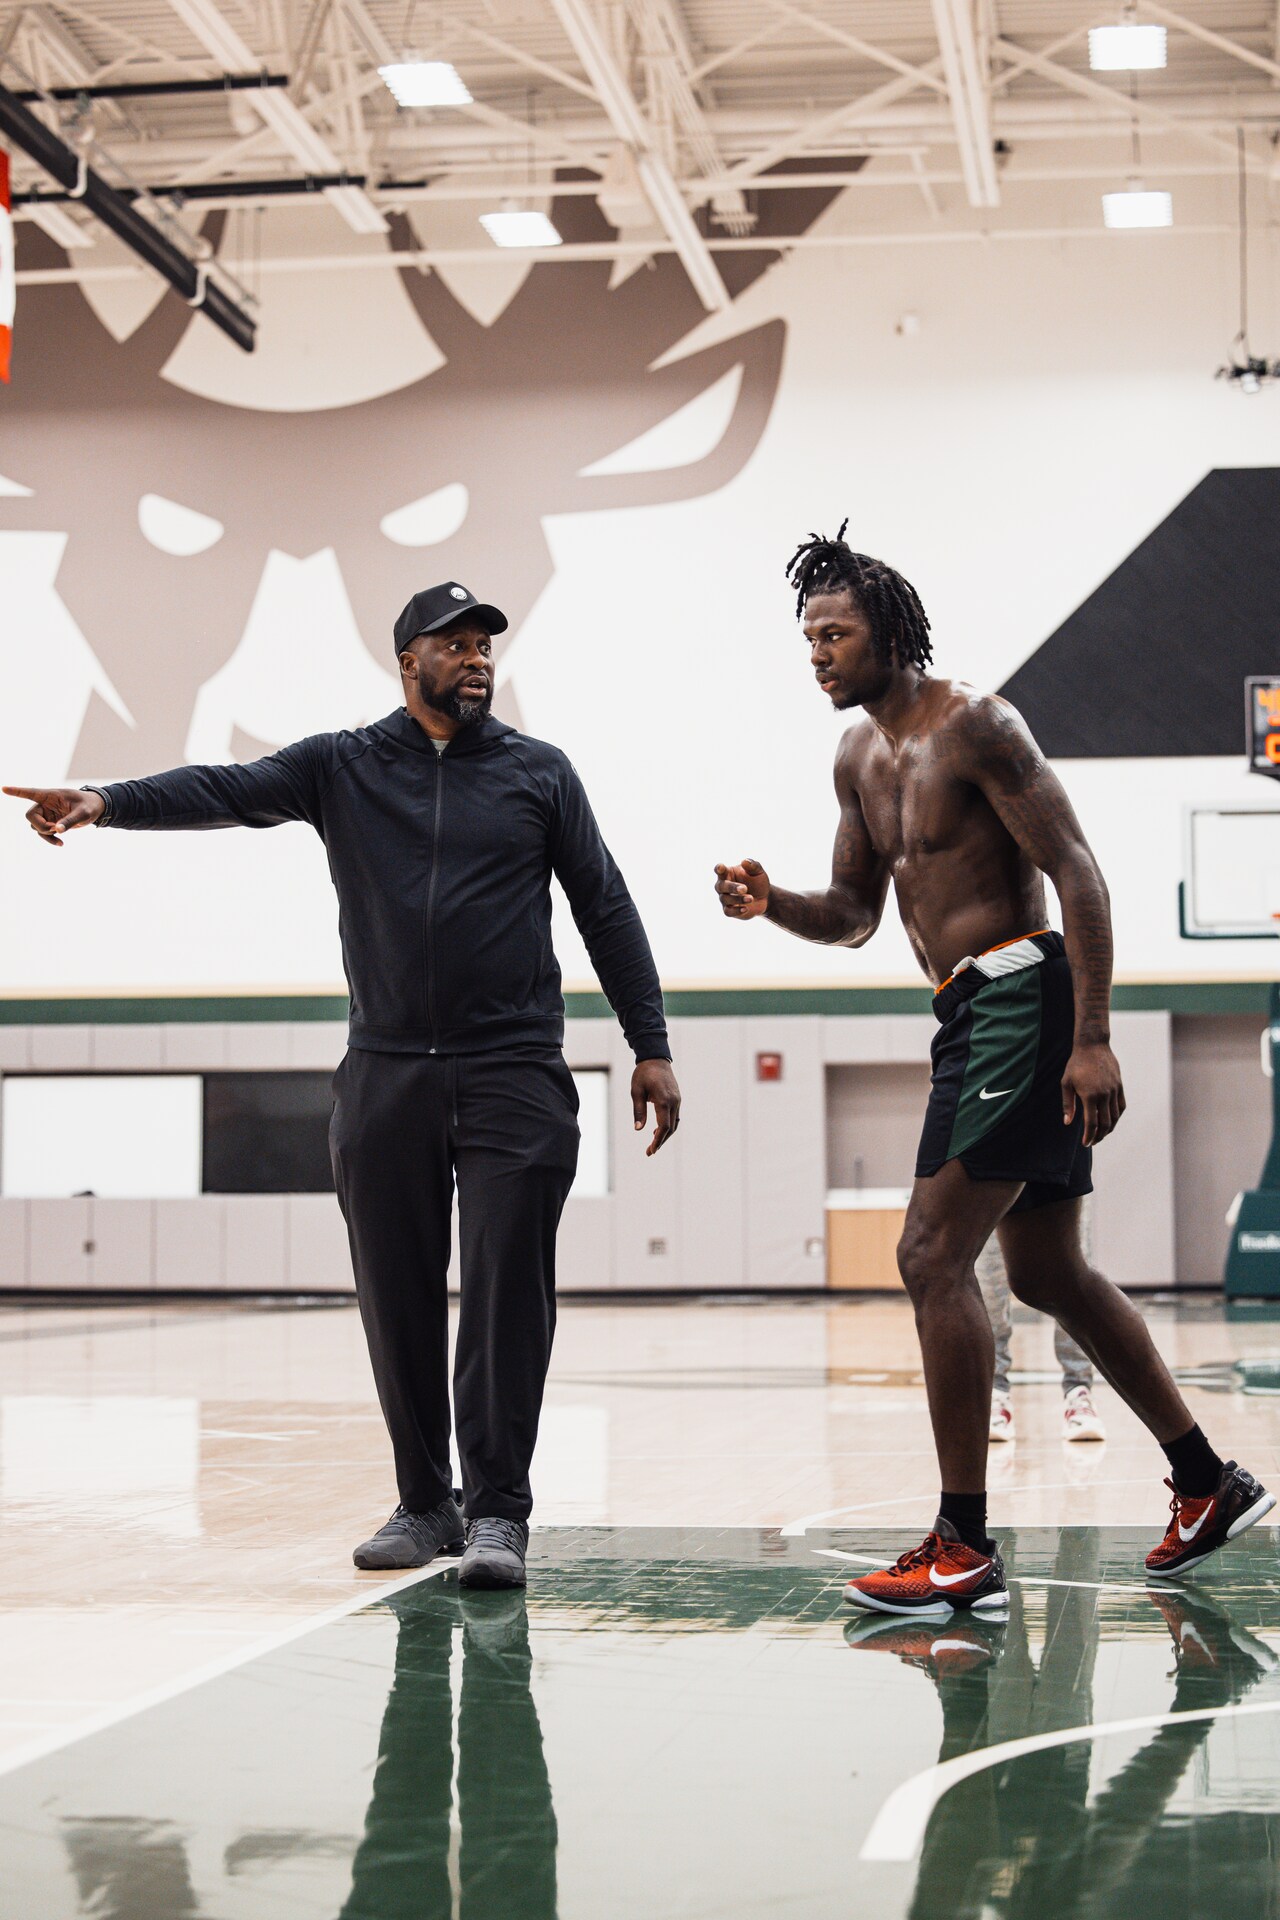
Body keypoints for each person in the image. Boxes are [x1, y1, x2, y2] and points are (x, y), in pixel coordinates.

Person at [5, 579, 681, 1592]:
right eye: (452, 645)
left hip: (513, 1070)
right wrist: (106, 803)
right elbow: (225, 790)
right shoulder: (342, 766)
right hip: (385, 1070)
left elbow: (606, 908)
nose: (475, 660)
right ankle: (423, 1501)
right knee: (396, 1293)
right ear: (406, 659)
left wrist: (650, 1041)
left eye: (484, 646)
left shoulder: (540, 775)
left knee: (505, 1288)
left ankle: (499, 1512)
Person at [715, 525, 1271, 1612]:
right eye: (807, 638)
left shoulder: (973, 724)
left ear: (889, 632)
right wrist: (768, 900)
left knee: (928, 1255)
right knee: (1044, 1275)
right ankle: (1205, 1481)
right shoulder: (856, 760)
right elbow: (851, 918)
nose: (817, 653)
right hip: (965, 1007)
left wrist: (1094, 1033)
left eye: (834, 633)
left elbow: (1079, 874)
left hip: (1020, 993)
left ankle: (960, 1543)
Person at [980, 1194, 1106, 1443]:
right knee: (988, 1278)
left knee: (1072, 1271)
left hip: (1060, 1160)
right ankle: (996, 1395)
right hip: (989, 1161)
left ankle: (1078, 1393)